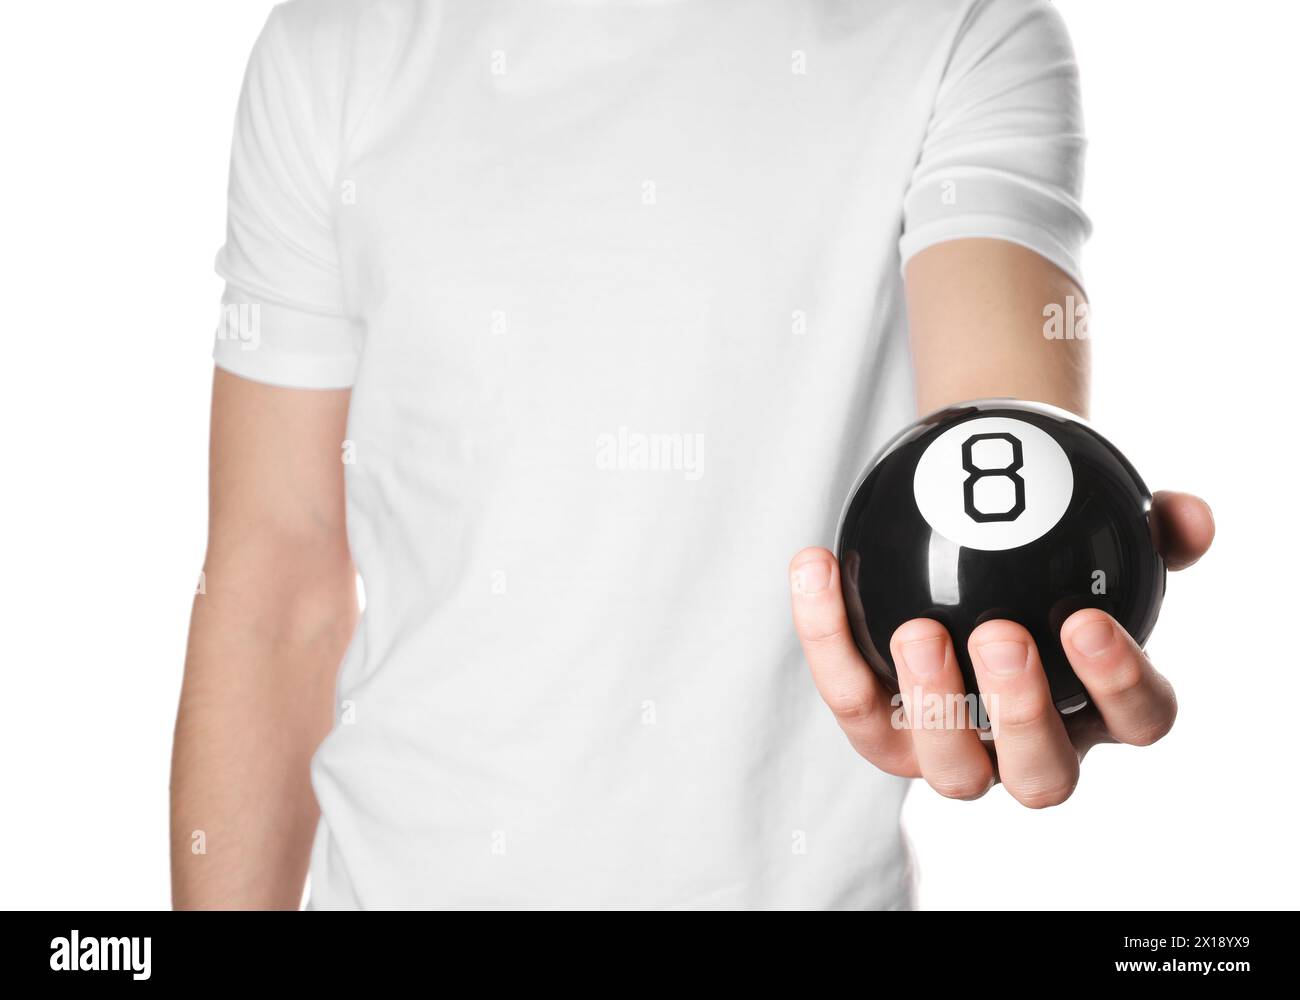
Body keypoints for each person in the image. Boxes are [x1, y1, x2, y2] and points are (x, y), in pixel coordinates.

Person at [171, 0, 1214, 910]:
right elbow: (277, 580)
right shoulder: (332, 47)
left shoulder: (959, 28)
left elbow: (991, 432)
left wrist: (1019, 634)